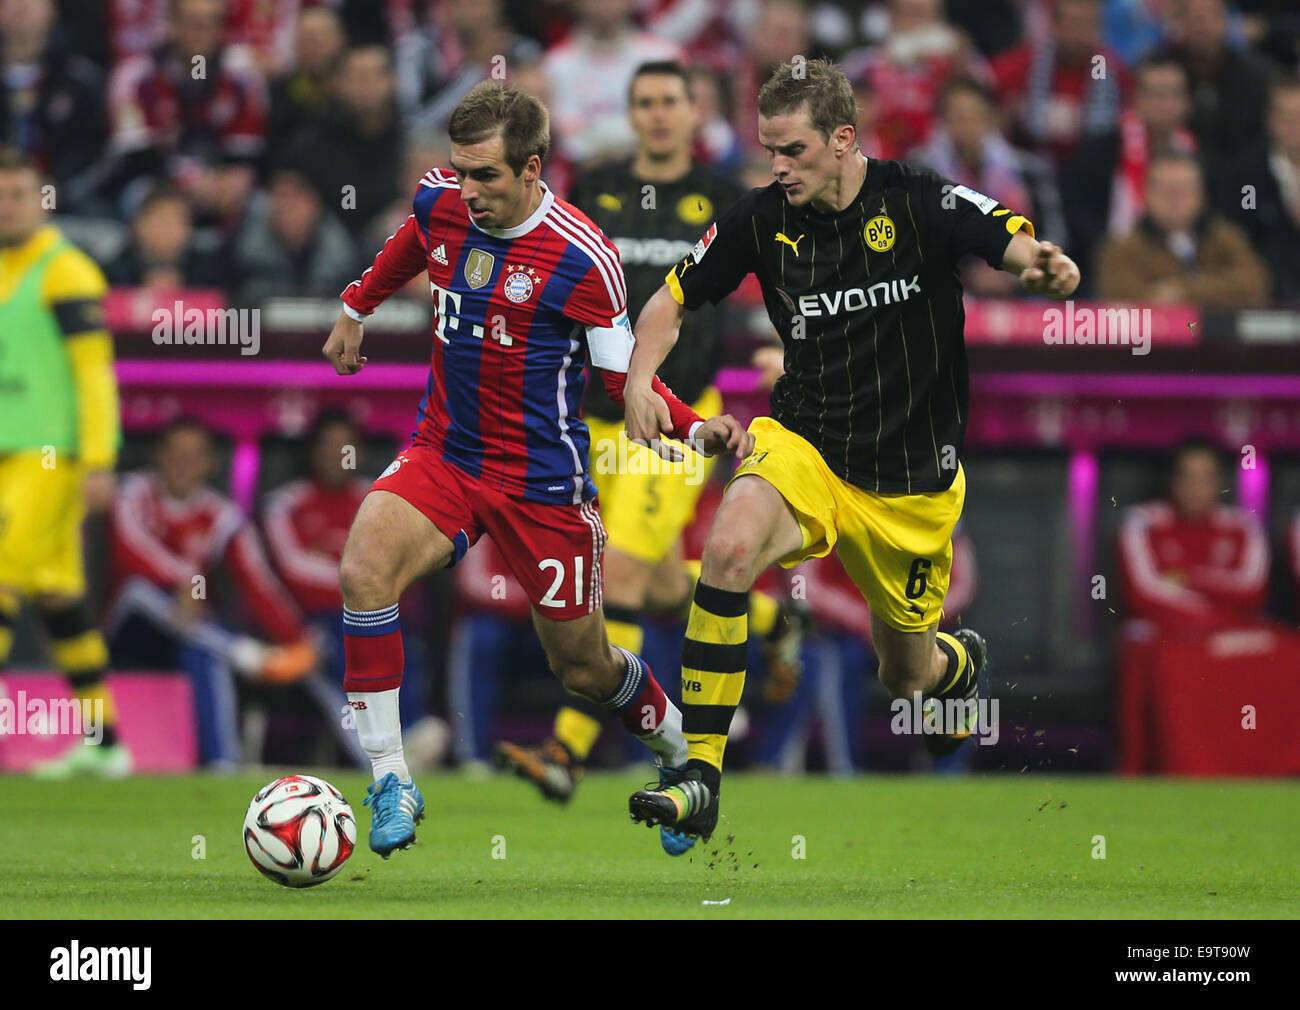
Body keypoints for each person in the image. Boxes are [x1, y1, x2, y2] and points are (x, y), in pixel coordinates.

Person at [620, 58, 1080, 839]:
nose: (778, 166)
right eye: (769, 149)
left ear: (842, 139)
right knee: (729, 550)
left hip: (910, 485)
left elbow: (1004, 232)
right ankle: (699, 773)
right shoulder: (758, 220)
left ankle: (952, 667)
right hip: (805, 447)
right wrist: (639, 379)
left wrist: (1038, 262)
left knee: (904, 673)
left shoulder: (917, 198)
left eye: (793, 150)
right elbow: (671, 298)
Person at [323, 80, 750, 858]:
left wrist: (697, 428)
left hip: (542, 485)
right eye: (459, 171)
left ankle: (684, 757)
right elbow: (413, 241)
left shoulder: (585, 258)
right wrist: (357, 307)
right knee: (364, 569)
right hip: (443, 454)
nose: (467, 190)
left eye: (485, 175)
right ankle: (390, 777)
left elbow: (624, 384)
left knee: (583, 666)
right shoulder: (441, 203)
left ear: (532, 168)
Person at [493, 64, 804, 853]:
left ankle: (568, 750)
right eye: (645, 103)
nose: (658, 115)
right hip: (587, 413)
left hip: (671, 418)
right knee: (658, 581)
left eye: (671, 100)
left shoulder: (722, 194)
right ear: (628, 114)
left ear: (695, 109)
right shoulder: (591, 187)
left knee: (620, 576)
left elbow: (772, 278)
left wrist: (778, 348)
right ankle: (770, 616)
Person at [0, 146, 128, 777]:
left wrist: (100, 458)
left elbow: (94, 376)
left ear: (42, 198)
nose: (6, 205)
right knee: (58, 594)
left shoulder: (66, 271)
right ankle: (105, 743)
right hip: (5, 457)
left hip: (47, 459)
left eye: (18, 193)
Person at [105, 419, 328, 768]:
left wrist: (298, 636)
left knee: (206, 652)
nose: (184, 464)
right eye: (176, 454)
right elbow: (130, 552)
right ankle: (244, 653)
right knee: (141, 591)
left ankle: (223, 764)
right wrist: (185, 578)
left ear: (210, 463)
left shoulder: (220, 515)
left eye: (194, 456)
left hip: (188, 632)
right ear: (158, 457)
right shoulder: (134, 492)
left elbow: (258, 582)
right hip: (128, 630)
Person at [1096, 150, 1269, 306]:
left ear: (1201, 195)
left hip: (1221, 339)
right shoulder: (1122, 249)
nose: (1174, 200)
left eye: (1183, 190)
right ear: (1146, 194)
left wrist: (1184, 291)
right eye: (1165, 190)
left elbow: (1254, 284)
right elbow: (1126, 298)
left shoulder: (1227, 238)